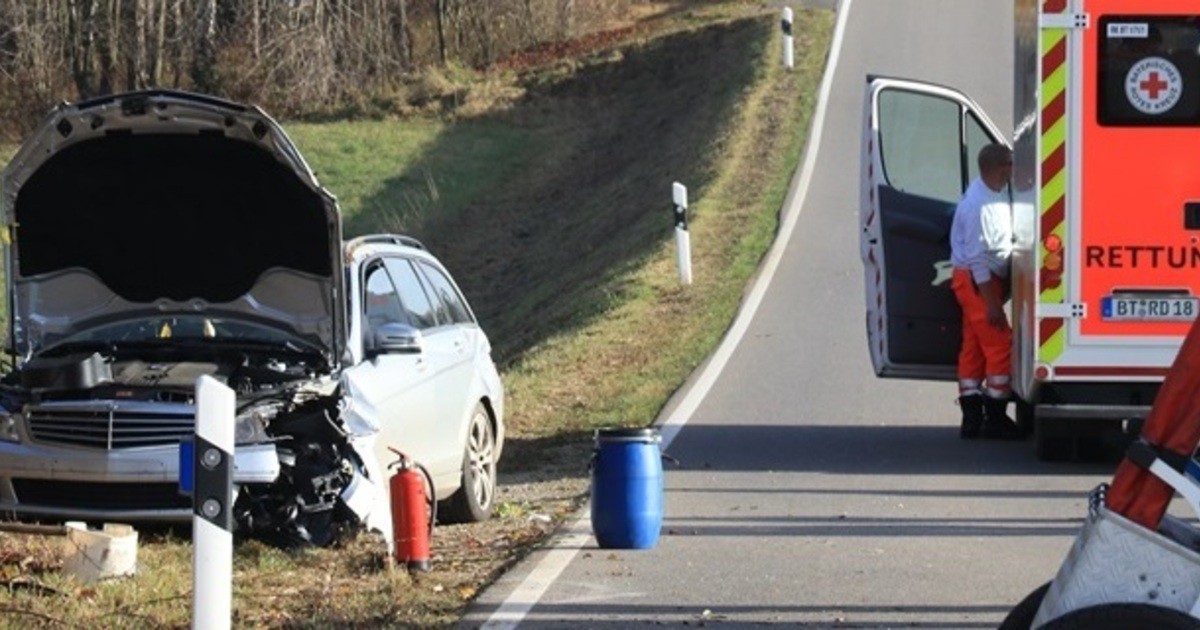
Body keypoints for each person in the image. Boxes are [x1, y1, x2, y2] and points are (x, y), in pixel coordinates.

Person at [949, 144, 1023, 440]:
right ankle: (995, 415)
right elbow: (977, 257)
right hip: (978, 281)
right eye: (1010, 164)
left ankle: (971, 417)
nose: (1013, 170)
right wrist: (992, 303)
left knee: (974, 346)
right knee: (999, 344)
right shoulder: (977, 206)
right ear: (1000, 167)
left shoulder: (988, 195)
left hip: (976, 281)